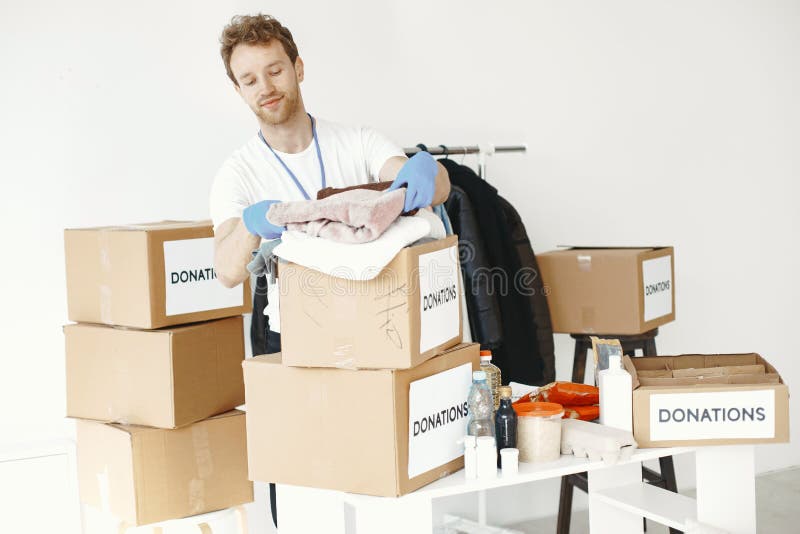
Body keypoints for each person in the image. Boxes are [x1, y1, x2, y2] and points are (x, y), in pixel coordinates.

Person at [209, 14, 450, 527]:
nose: (265, 88)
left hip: (375, 316)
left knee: (382, 468)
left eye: (274, 71)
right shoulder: (238, 172)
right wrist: (255, 222)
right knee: (305, 479)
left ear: (298, 67)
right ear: (238, 90)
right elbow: (228, 269)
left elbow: (429, 183)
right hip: (289, 329)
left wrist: (422, 174)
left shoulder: (354, 141)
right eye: (249, 80)